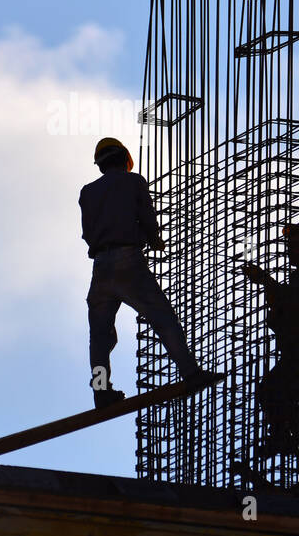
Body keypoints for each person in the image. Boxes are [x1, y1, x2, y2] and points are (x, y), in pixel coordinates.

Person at [79, 137, 210, 409]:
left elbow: (88, 233)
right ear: (125, 159)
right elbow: (148, 220)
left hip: (100, 268)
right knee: (163, 319)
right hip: (129, 260)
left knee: (100, 338)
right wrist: (155, 240)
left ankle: (101, 392)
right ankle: (190, 372)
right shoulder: (133, 182)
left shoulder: (87, 192)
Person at [241, 221, 299, 495]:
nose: (289, 250)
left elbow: (296, 303)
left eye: (295, 245)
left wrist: (266, 282)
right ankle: (282, 438)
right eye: (288, 245)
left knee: (298, 413)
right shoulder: (295, 280)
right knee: (270, 391)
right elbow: (282, 313)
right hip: (294, 351)